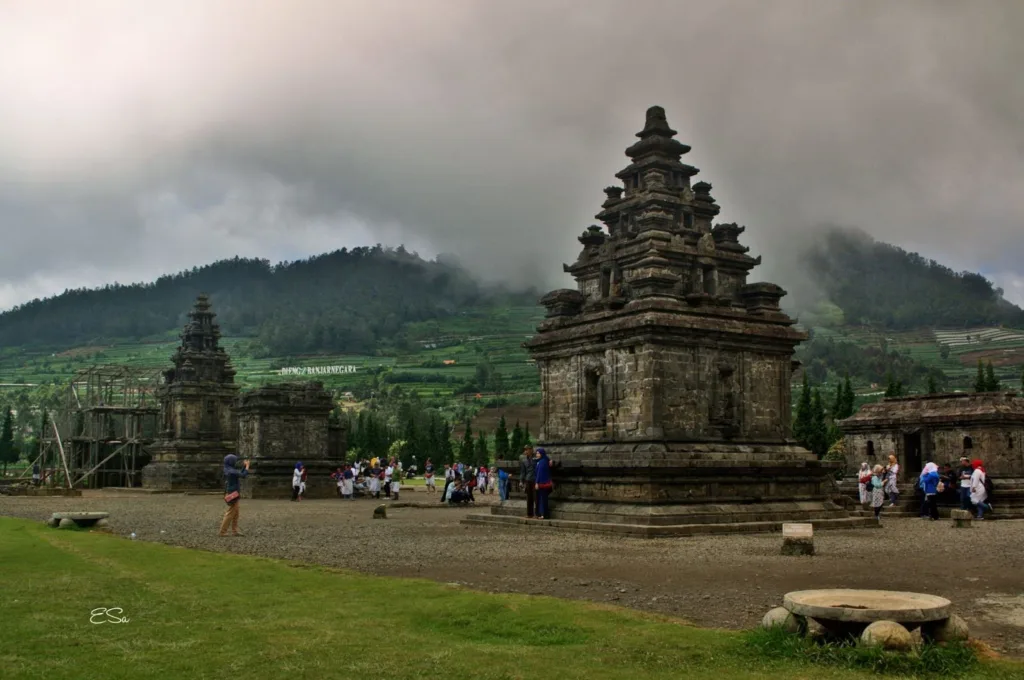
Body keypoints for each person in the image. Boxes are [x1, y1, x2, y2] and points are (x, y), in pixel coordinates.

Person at [219, 454, 249, 537]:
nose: (235, 462)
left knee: (236, 513)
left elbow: (239, 474)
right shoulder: (231, 471)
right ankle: (222, 531)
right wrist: (247, 466)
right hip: (232, 493)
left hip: (232, 492)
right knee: (231, 513)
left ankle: (234, 530)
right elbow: (243, 475)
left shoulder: (229, 469)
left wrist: (244, 466)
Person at [534, 447, 554, 520]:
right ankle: (544, 514)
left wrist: (536, 482)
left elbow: (539, 473)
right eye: (536, 453)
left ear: (541, 454)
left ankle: (543, 514)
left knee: (542, 499)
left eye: (538, 453)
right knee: (543, 499)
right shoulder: (544, 460)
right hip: (544, 483)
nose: (537, 454)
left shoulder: (542, 462)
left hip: (542, 483)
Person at [519, 445, 536, 518]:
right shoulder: (524, 461)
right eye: (525, 450)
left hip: (535, 480)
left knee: (536, 497)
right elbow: (523, 472)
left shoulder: (536, 459)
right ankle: (529, 514)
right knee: (529, 498)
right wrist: (521, 481)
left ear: (532, 450)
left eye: (528, 450)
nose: (526, 451)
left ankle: (537, 514)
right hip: (528, 480)